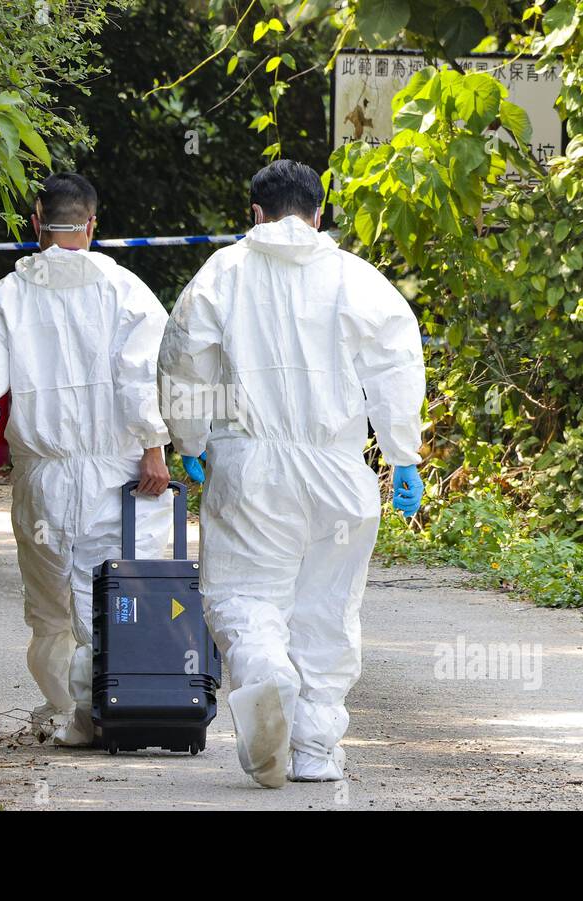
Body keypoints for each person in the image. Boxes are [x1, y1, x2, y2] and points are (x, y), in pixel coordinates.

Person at [158, 159, 426, 787]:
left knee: (245, 595)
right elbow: (397, 364)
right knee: (329, 610)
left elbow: (184, 362)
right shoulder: (358, 279)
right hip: (339, 470)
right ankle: (314, 750)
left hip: (253, 467)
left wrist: (190, 439)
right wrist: (403, 453)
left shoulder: (221, 275)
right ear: (319, 212)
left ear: (254, 213)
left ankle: (264, 668)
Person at [0, 173, 172, 746]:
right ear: (92, 226)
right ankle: (107, 710)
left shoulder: (6, 297)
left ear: (36, 223)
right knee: (111, 594)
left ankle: (66, 708)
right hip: (117, 473)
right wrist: (155, 445)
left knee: (50, 606)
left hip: (42, 475)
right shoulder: (129, 293)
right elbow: (142, 377)